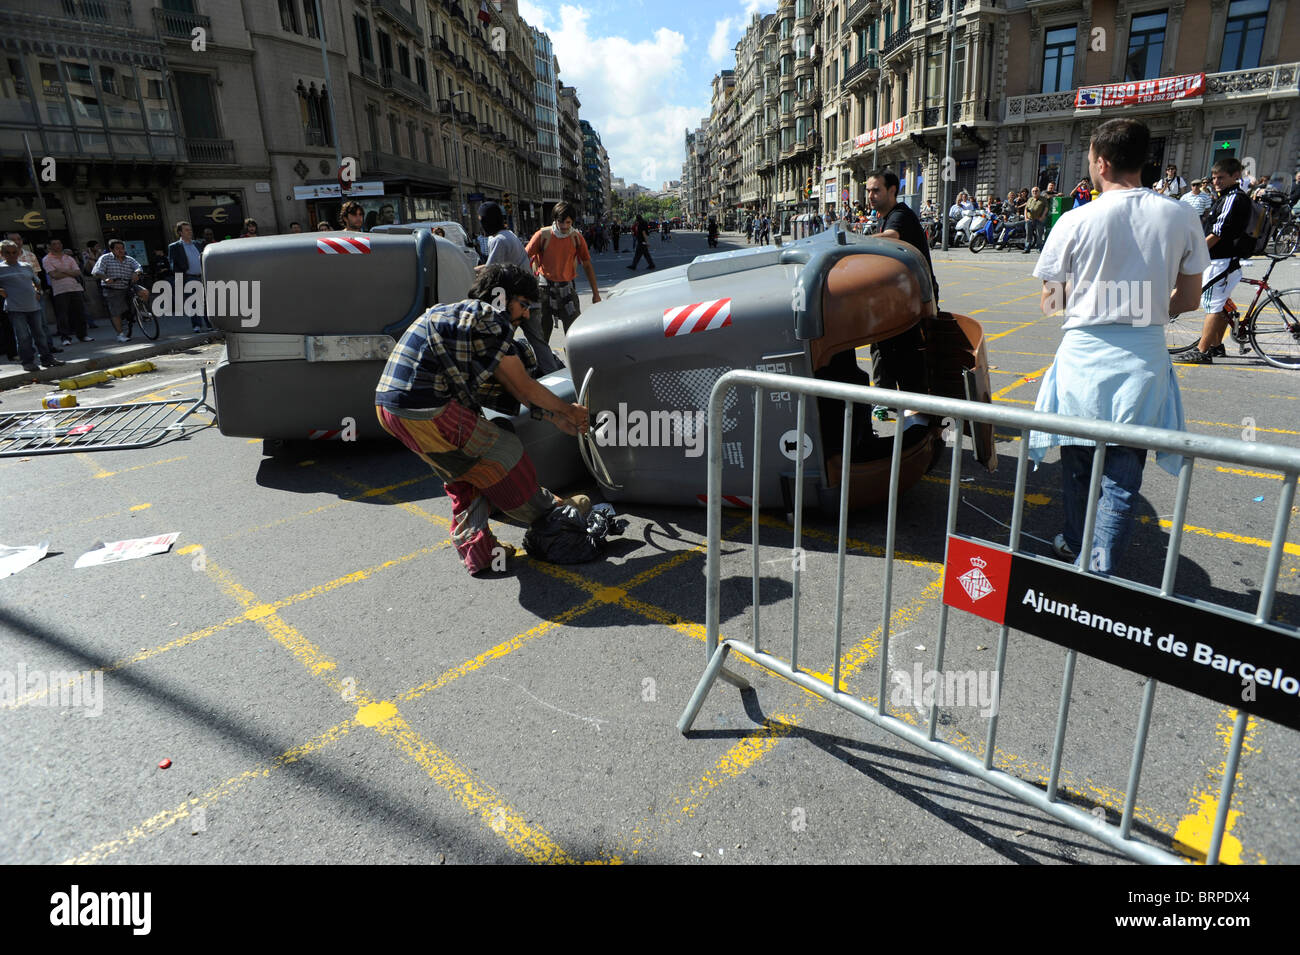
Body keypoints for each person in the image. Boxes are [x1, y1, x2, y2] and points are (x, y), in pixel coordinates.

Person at [1029, 118, 1206, 574]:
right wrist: (1144, 305)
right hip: (1142, 358)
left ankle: (1074, 542)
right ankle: (1102, 568)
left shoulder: (1074, 219)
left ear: (1102, 161)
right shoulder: (1180, 215)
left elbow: (1052, 302)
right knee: (1123, 473)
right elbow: (1189, 299)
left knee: (1078, 467)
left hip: (1083, 357)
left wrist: (1096, 295)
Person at [374, 264, 590, 575]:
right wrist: (568, 411)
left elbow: (506, 387)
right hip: (425, 407)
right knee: (503, 451)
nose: (526, 315)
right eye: (524, 305)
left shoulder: (461, 315)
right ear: (502, 298)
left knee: (464, 471)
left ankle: (479, 552)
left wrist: (554, 418)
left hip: (391, 409)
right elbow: (523, 386)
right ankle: (553, 514)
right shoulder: (490, 317)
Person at [864, 167, 935, 420]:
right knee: (881, 346)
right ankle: (885, 400)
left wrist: (855, 241)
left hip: (914, 299)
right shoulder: (885, 216)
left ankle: (917, 417)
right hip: (896, 299)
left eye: (876, 190)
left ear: (892, 191)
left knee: (906, 355)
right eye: (868, 190)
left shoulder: (899, 215)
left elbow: (891, 237)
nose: (870, 195)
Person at [1174, 157, 1252, 364]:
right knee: (1218, 302)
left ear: (1236, 176)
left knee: (1212, 305)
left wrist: (1196, 252)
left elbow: (1218, 232)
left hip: (1221, 259)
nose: (1216, 182)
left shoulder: (1233, 198)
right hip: (1225, 259)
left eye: (1221, 178)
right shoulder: (1228, 196)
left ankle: (1202, 351)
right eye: (1214, 178)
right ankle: (1216, 346)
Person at [526, 202, 602, 342]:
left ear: (572, 221)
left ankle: (575, 363)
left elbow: (587, 265)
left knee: (575, 336)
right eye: (561, 222)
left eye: (568, 222)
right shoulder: (542, 235)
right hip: (544, 290)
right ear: (555, 220)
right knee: (541, 337)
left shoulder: (576, 238)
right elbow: (523, 258)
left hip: (567, 289)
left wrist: (596, 294)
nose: (564, 226)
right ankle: (544, 363)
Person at [1, 239, 65, 372]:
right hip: (15, 308)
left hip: (33, 306)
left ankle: (47, 359)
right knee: (23, 337)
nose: (12, 255)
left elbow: (37, 281)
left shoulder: (26, 266)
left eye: (14, 252)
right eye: (8, 252)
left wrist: (38, 291)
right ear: (2, 253)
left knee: (40, 334)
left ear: (18, 252)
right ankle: (28, 362)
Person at [92, 238, 149, 343]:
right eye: (118, 248)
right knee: (116, 312)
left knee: (144, 292)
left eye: (122, 248)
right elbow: (96, 271)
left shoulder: (129, 259)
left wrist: (136, 273)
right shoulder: (105, 258)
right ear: (111, 249)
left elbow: (138, 267)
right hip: (113, 288)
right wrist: (106, 278)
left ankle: (141, 311)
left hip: (128, 285)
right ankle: (120, 334)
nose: (121, 250)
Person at [42, 238, 91, 346]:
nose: (57, 246)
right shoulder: (47, 259)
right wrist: (70, 272)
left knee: (80, 313)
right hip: (60, 290)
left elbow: (78, 272)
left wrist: (62, 270)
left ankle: (82, 335)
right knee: (62, 315)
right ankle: (65, 337)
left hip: (75, 288)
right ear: (50, 247)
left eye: (59, 243)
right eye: (54, 244)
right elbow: (54, 275)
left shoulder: (68, 258)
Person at [168, 221, 210, 332]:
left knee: (206, 301)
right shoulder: (175, 247)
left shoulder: (198, 243)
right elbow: (173, 264)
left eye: (190, 229)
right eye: (186, 230)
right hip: (189, 277)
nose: (189, 231)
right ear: (180, 232)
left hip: (202, 276)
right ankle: (197, 325)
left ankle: (210, 324)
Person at [1022, 185, 1049, 253]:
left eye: (1036, 191)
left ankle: (1039, 248)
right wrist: (1026, 218)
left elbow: (1046, 208)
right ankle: (1027, 248)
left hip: (1039, 220)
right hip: (1029, 220)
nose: (1035, 192)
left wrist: (1042, 217)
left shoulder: (1043, 199)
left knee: (1039, 234)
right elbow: (1026, 209)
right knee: (1028, 235)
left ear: (1039, 192)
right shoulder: (1030, 199)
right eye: (1033, 191)